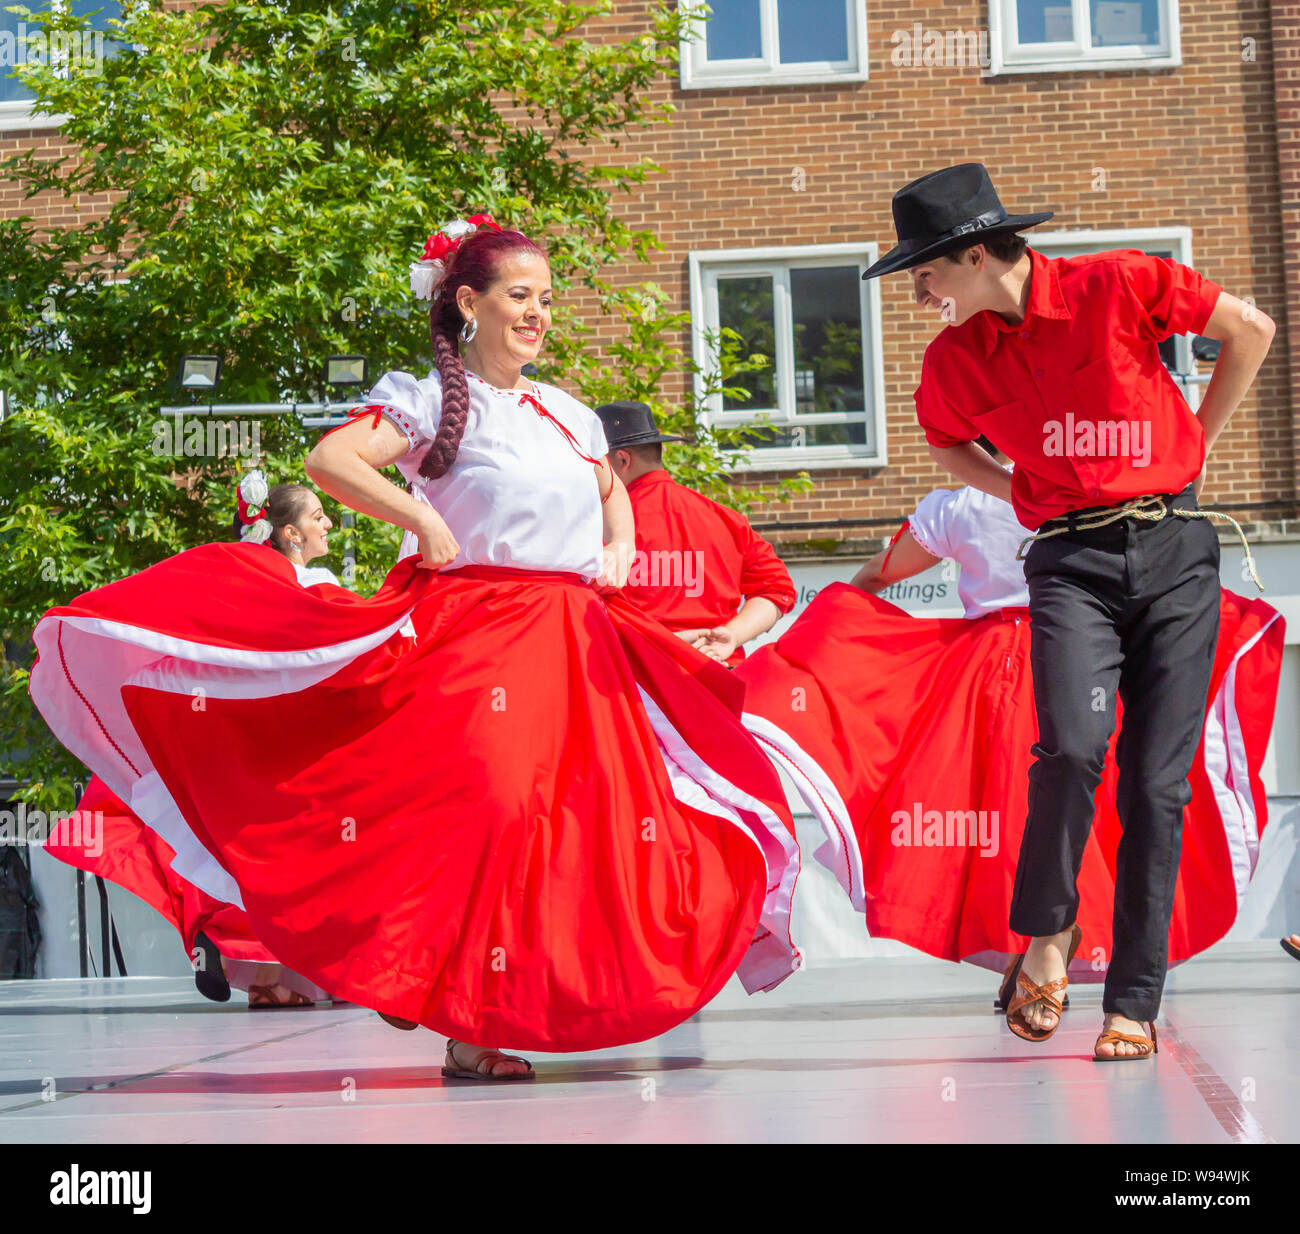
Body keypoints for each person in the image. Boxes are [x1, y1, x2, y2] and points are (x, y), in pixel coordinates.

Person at [29, 215, 801, 1083]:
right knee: (500, 813)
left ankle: (518, 998)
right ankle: (465, 1016)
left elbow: (605, 492)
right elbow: (332, 460)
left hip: (577, 639)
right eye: (520, 297)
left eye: (546, 299)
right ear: (468, 303)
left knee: (586, 826)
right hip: (479, 634)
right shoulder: (432, 399)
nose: (539, 314)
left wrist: (618, 543)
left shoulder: (569, 413)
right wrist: (422, 517)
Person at [863, 162, 1275, 1059]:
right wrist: (1016, 488)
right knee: (1074, 750)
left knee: (1158, 785)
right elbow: (943, 440)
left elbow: (1251, 328)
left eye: (924, 273)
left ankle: (1133, 1001)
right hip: (1070, 563)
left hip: (1174, 555)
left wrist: (1195, 442)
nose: (918, 291)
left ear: (975, 255)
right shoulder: (953, 359)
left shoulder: (1119, 282)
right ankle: (1048, 933)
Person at [736, 435, 1284, 1014]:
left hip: (991, 672)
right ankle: (1060, 953)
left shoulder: (960, 505)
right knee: (1091, 814)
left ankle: (1035, 952)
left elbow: (877, 573)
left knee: (1001, 823)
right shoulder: (1087, 489)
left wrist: (854, 622)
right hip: (1086, 658)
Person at [43, 474, 344, 1008]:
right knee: (285, 846)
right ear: (291, 533)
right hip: (275, 743)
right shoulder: (311, 584)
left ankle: (263, 976)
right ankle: (269, 970)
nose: (327, 523)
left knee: (220, 841)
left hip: (228, 739)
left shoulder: (235, 578)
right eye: (318, 515)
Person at [595, 401, 796, 665]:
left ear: (622, 460)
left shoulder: (604, 526)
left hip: (639, 677)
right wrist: (732, 636)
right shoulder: (725, 518)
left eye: (596, 463)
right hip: (718, 671)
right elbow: (777, 589)